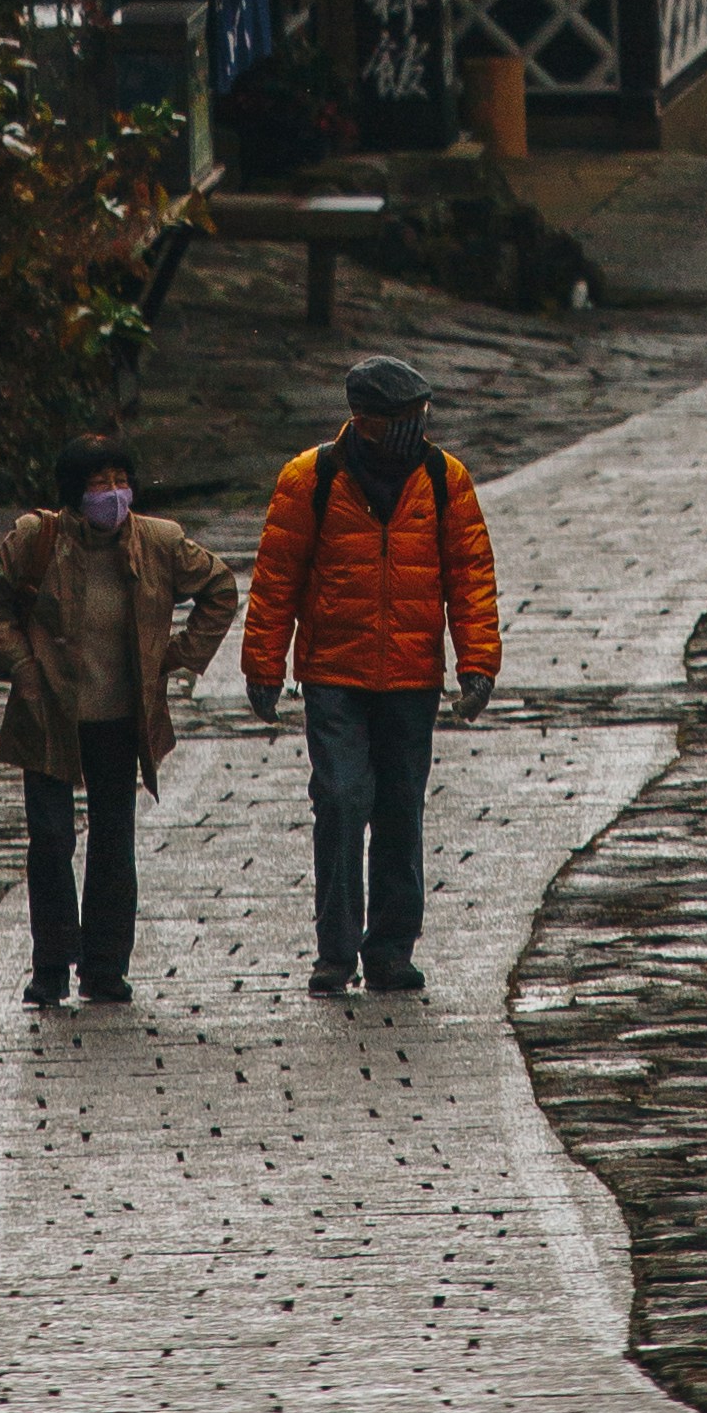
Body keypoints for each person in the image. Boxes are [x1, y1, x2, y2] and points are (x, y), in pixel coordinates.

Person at [239, 350, 501, 999]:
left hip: (410, 677)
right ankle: (335, 950)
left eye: (420, 414)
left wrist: (477, 664)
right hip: (335, 673)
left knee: (399, 812)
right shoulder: (312, 478)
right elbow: (276, 578)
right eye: (404, 416)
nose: (417, 425)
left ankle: (388, 948)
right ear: (366, 419)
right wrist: (263, 665)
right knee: (339, 798)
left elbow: (469, 576)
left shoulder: (444, 478)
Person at [0, 433, 235, 1011]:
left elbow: (220, 586)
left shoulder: (158, 541)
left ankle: (106, 967)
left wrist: (178, 653)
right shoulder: (36, 538)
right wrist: (21, 664)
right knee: (51, 841)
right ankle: (51, 967)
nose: (112, 495)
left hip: (120, 718)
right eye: (97, 484)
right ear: (72, 493)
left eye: (120, 480)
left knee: (114, 843)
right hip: (48, 715)